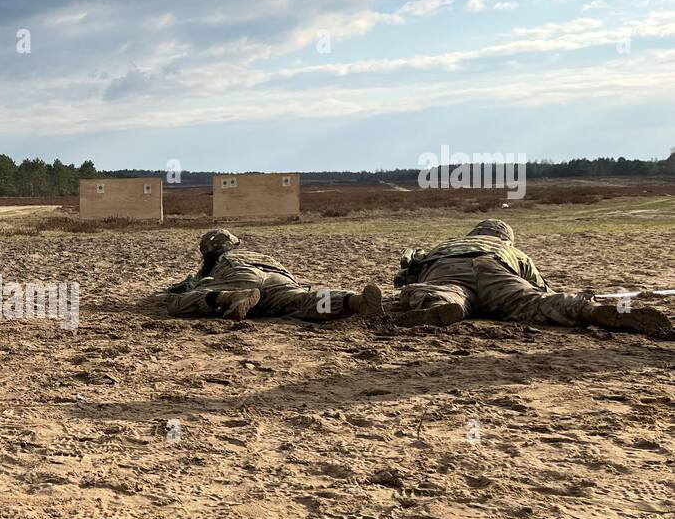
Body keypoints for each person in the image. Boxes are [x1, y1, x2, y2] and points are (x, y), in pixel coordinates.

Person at [392, 218, 673, 337]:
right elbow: (540, 286)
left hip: (446, 270)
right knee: (538, 303)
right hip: (495, 271)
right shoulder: (509, 250)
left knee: (443, 293)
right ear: (506, 238)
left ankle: (440, 306)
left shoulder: (445, 244)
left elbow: (407, 277)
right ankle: (592, 310)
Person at [157, 229, 382, 321]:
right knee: (304, 301)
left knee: (180, 302)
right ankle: (354, 301)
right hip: (280, 279)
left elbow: (189, 287)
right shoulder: (259, 254)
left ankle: (231, 298)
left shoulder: (216, 261)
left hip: (242, 278)